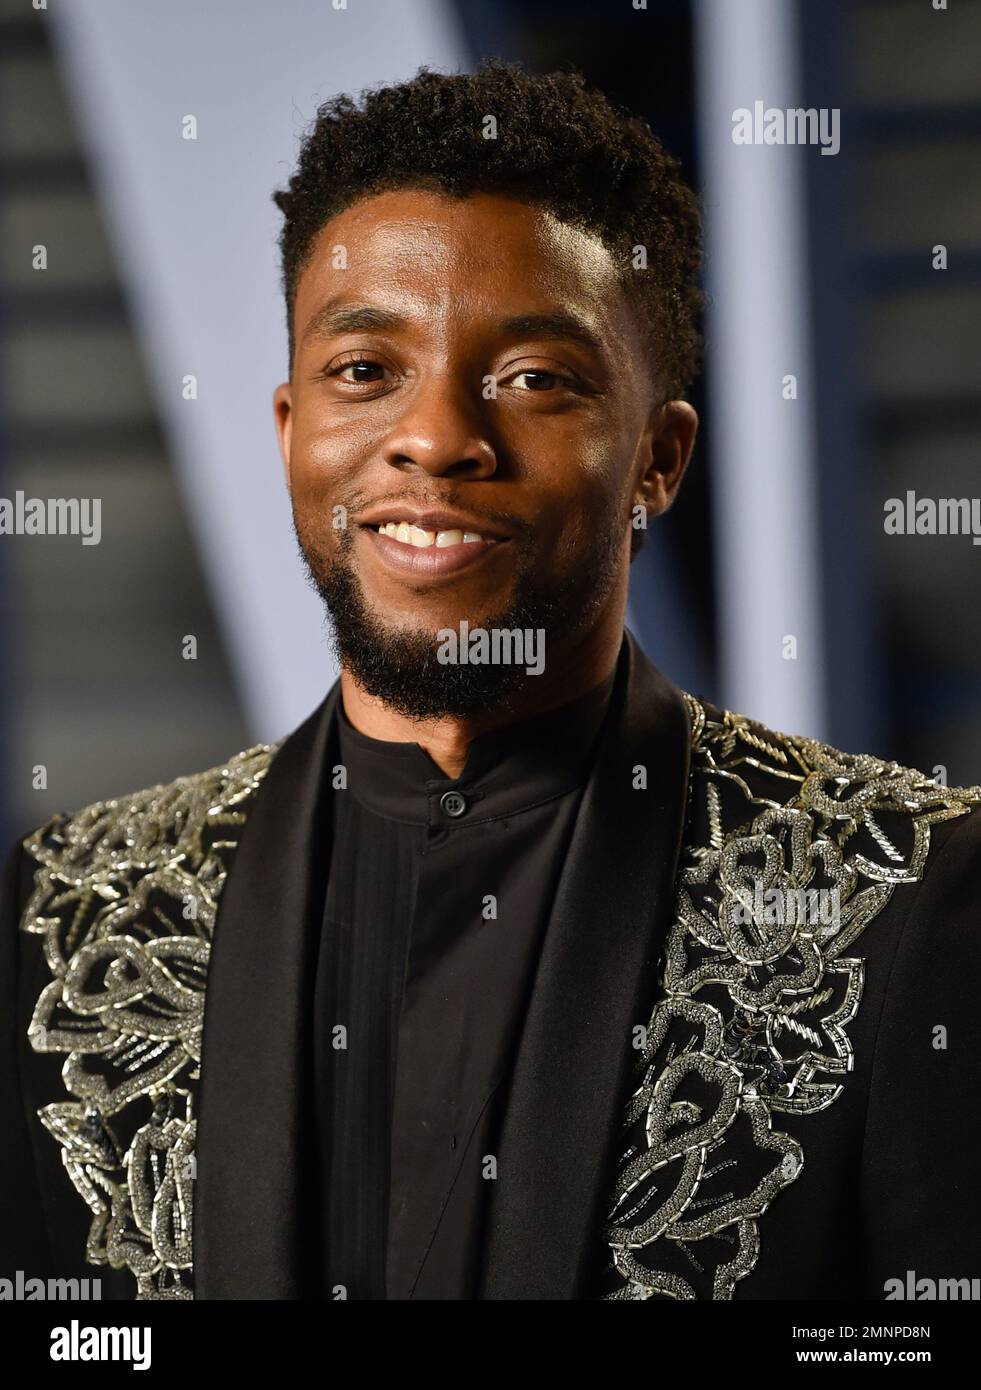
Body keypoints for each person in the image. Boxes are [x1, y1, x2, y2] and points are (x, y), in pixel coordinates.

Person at [2, 60, 980, 1302]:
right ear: (291, 428)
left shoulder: (907, 893)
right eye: (366, 372)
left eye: (534, 379)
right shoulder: (69, 916)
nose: (438, 436)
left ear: (658, 459)